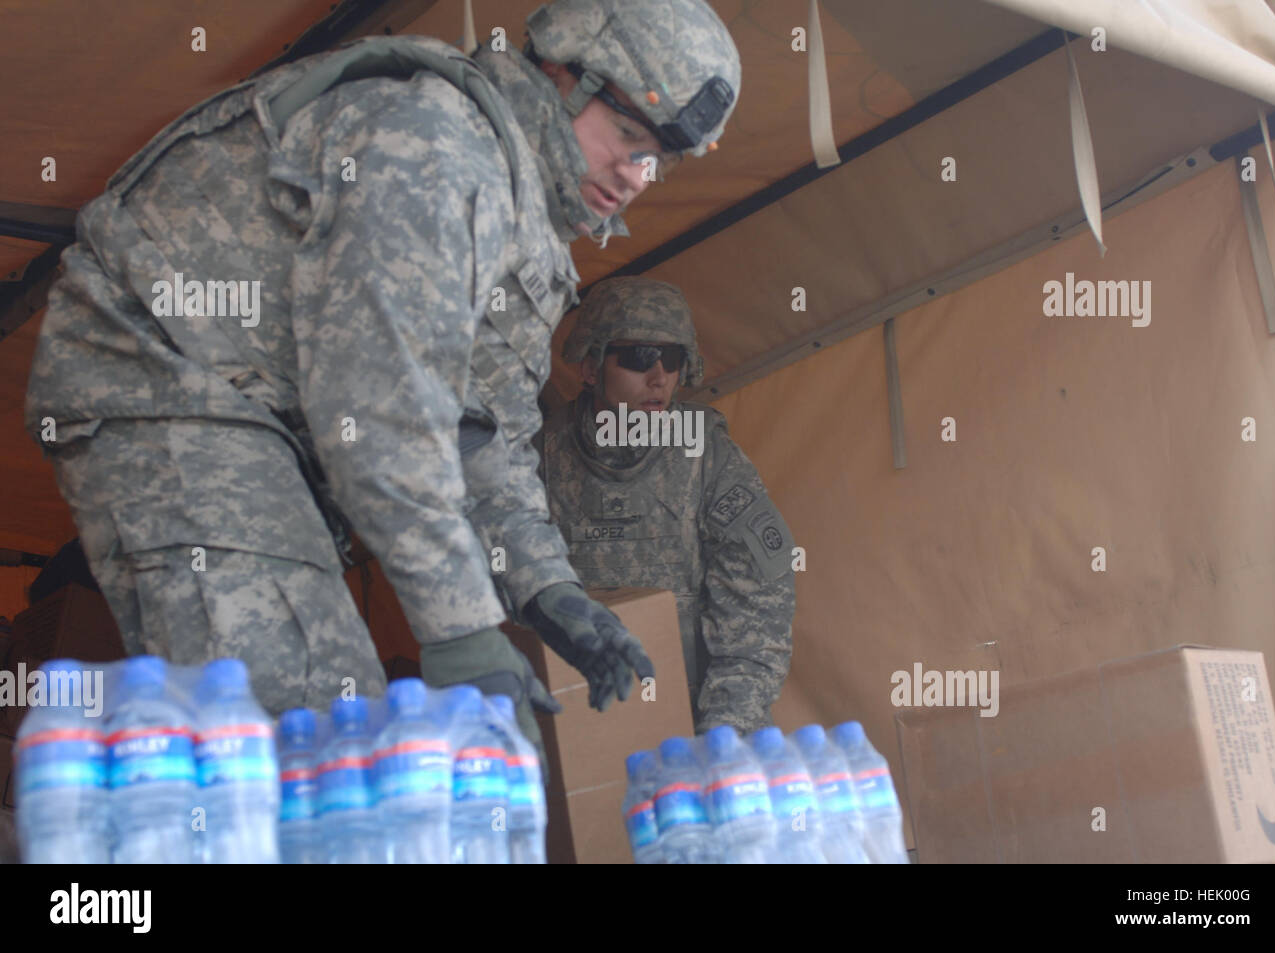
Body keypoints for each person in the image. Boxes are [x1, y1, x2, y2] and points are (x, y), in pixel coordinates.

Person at [23, 0, 741, 751]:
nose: (638, 174)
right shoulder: (434, 147)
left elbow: (480, 432)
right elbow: (379, 399)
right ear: (562, 75)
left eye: (660, 159)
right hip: (164, 367)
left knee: (323, 728)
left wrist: (547, 587)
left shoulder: (521, 214)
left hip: (248, 406)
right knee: (306, 716)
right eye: (628, 135)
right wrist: (463, 627)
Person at [542, 277, 795, 734]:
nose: (659, 377)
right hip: (580, 722)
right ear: (591, 367)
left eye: (672, 359)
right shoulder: (540, 459)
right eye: (639, 358)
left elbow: (757, 610)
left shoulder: (707, 457)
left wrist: (724, 731)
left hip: (701, 718)